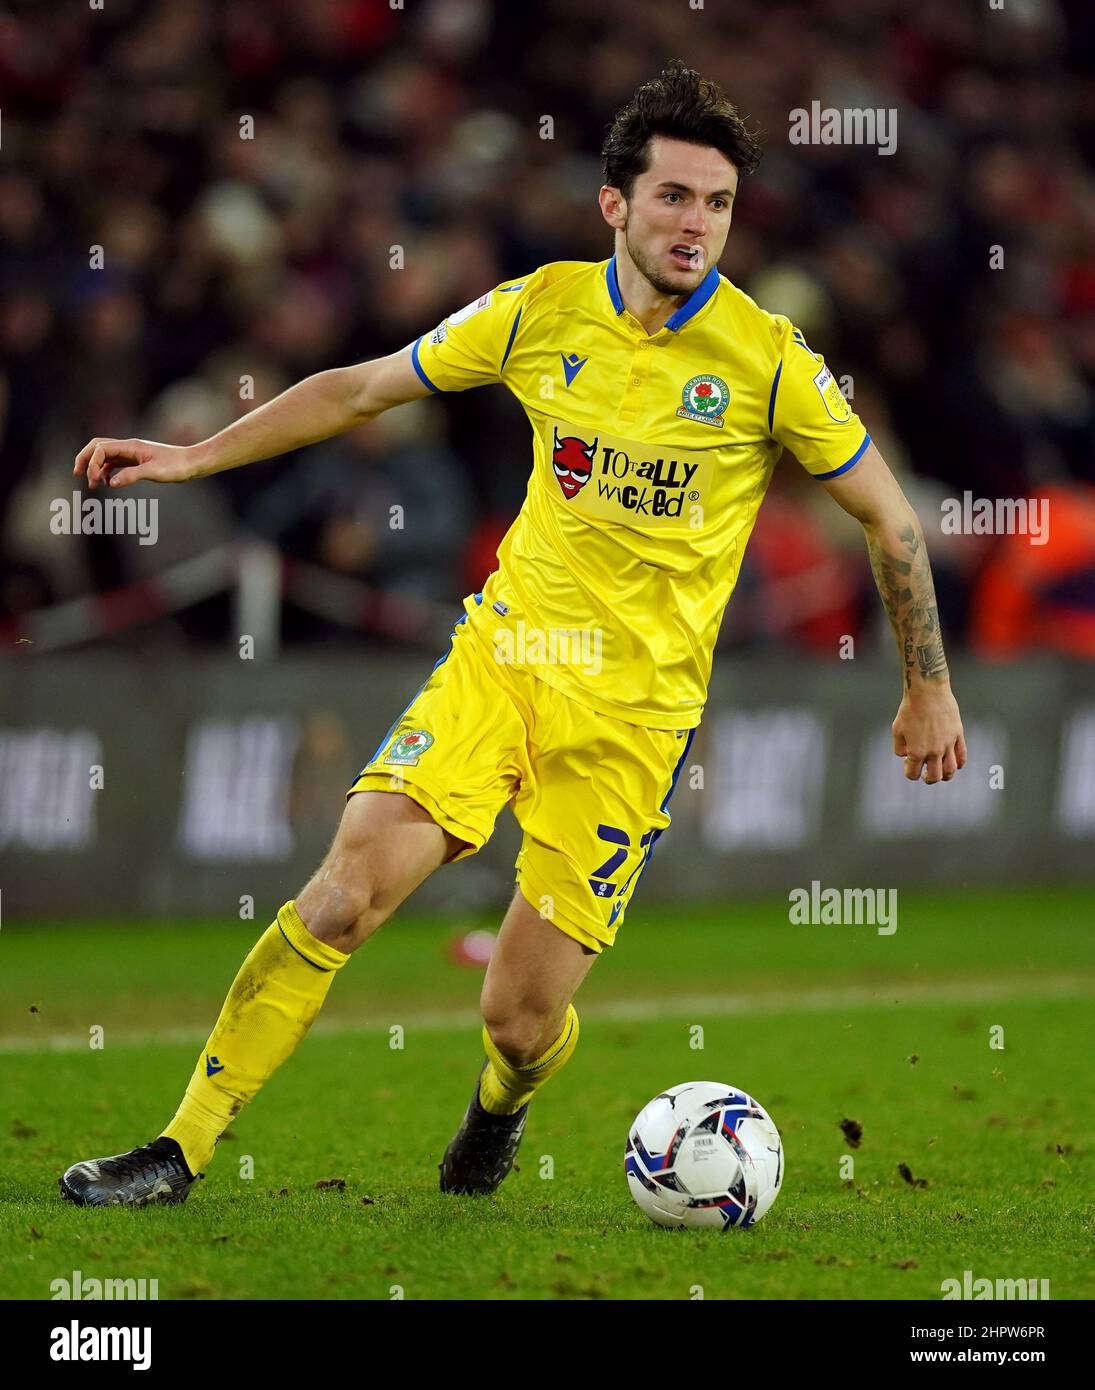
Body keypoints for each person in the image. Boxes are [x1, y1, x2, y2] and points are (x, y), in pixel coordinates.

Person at [59, 61, 965, 1208]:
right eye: (677, 197)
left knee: (521, 1015)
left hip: (635, 725)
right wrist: (190, 456)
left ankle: (499, 1106)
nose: (699, 224)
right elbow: (357, 391)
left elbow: (890, 516)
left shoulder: (770, 359)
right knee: (345, 891)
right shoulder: (538, 309)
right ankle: (179, 1147)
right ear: (615, 205)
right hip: (508, 659)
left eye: (720, 203)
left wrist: (924, 686)